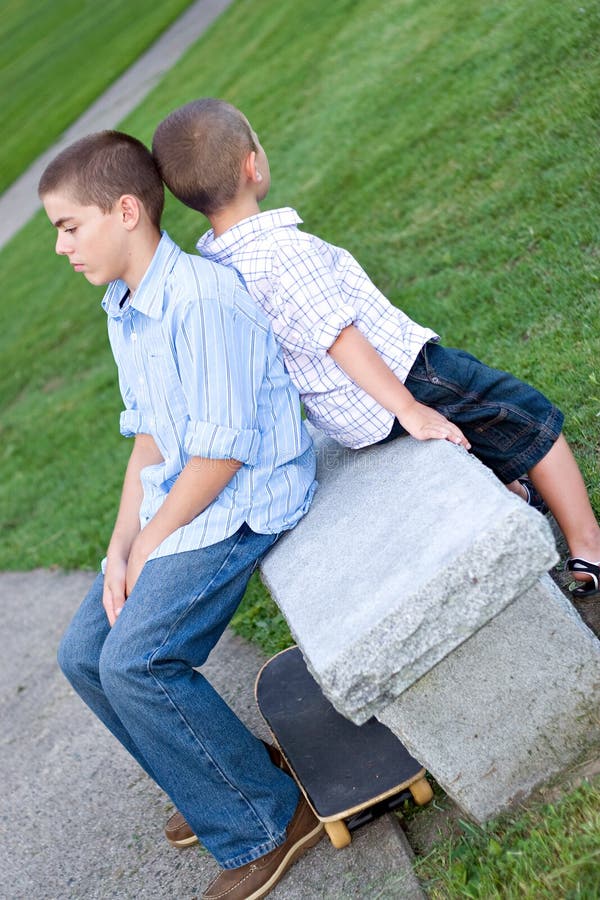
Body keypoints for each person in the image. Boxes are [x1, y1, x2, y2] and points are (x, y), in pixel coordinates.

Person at [152, 98, 600, 601]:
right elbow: (338, 336)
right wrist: (408, 407)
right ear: (252, 165)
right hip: (400, 377)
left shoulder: (220, 269)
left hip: (345, 414)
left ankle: (516, 492)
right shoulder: (282, 252)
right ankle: (589, 548)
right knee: (527, 415)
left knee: (472, 417)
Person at [38, 130, 323, 900]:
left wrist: (152, 546)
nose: (61, 246)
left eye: (69, 226)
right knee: (83, 653)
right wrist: (119, 548)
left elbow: (221, 458)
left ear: (126, 211)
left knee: (135, 662)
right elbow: (151, 443)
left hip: (247, 499)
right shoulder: (125, 306)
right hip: (188, 503)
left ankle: (266, 819)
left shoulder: (201, 300)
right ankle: (222, 777)